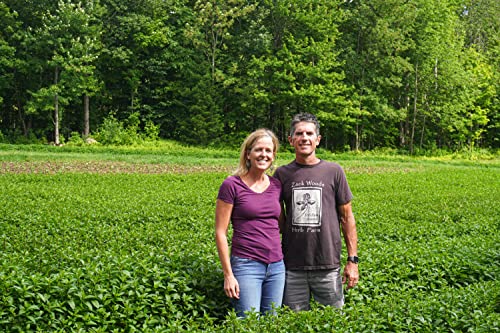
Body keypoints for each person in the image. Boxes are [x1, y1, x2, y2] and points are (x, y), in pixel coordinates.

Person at [273, 113, 359, 311]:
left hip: (328, 265)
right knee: (293, 323)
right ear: (291, 140)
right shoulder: (281, 174)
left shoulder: (334, 171)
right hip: (292, 266)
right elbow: (278, 219)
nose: (304, 137)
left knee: (333, 323)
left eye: (309, 133)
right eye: (299, 133)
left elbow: (347, 218)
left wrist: (352, 260)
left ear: (317, 140)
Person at [215, 128, 285, 317]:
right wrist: (228, 275)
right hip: (247, 265)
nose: (264, 155)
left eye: (268, 151)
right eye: (258, 150)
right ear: (248, 154)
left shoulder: (276, 185)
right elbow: (220, 232)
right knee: (248, 321)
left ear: (274, 155)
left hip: (277, 266)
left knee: (272, 322)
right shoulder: (231, 185)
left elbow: (281, 224)